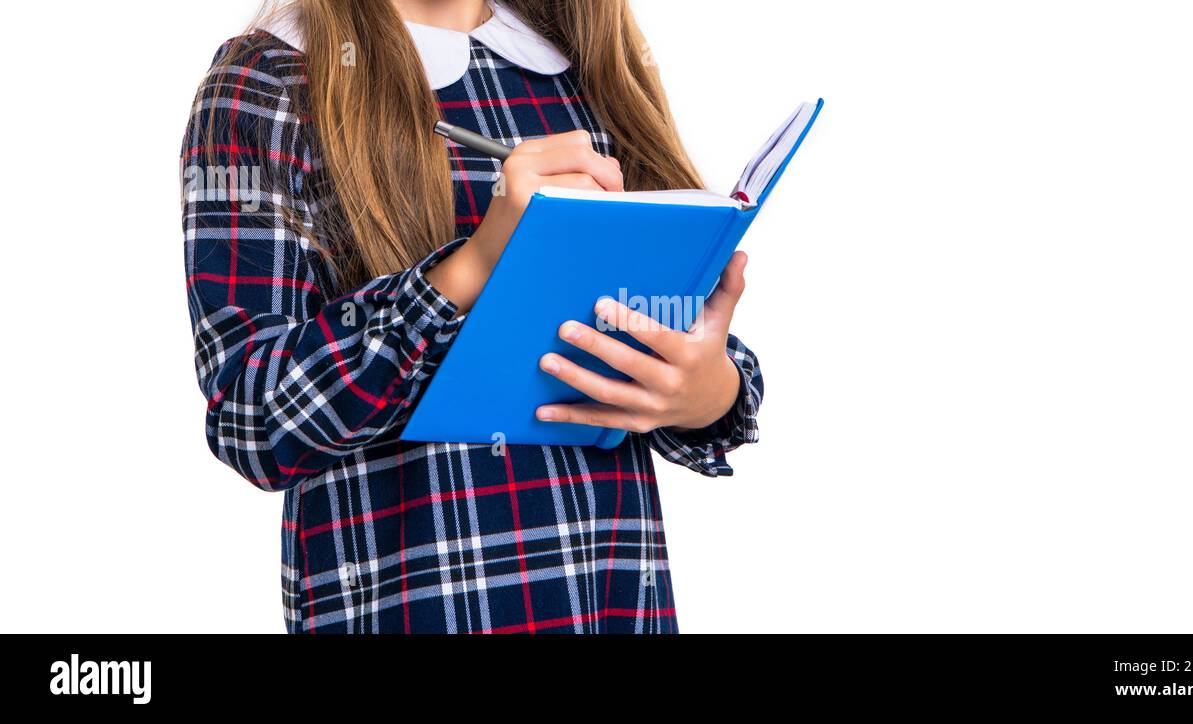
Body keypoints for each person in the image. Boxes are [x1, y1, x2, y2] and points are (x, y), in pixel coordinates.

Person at [182, 0, 762, 633]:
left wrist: (709, 391)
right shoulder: (266, 82)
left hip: (611, 603)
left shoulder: (584, 69)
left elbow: (658, 343)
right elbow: (251, 421)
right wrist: (472, 266)